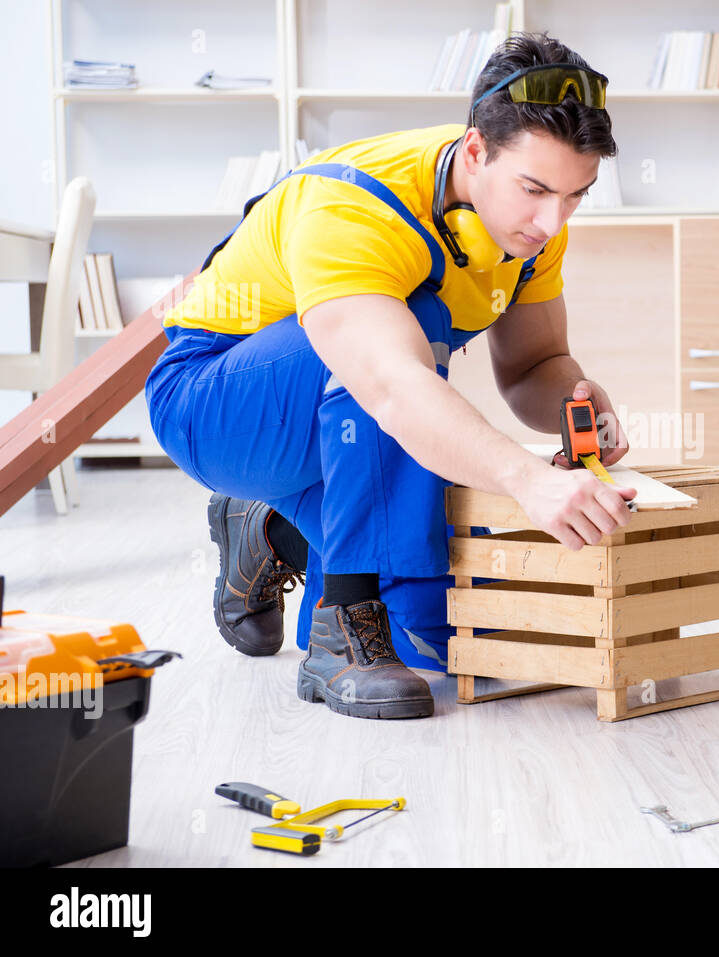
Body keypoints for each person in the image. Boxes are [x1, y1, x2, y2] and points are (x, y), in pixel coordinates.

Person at [145, 33, 637, 720]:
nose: (553, 221)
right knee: (417, 318)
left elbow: (531, 365)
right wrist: (529, 479)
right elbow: (392, 386)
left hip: (347, 411)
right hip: (212, 401)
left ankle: (269, 532)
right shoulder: (356, 205)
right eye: (535, 191)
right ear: (475, 152)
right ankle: (339, 631)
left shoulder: (534, 225)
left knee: (456, 627)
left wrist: (577, 400)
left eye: (575, 195)